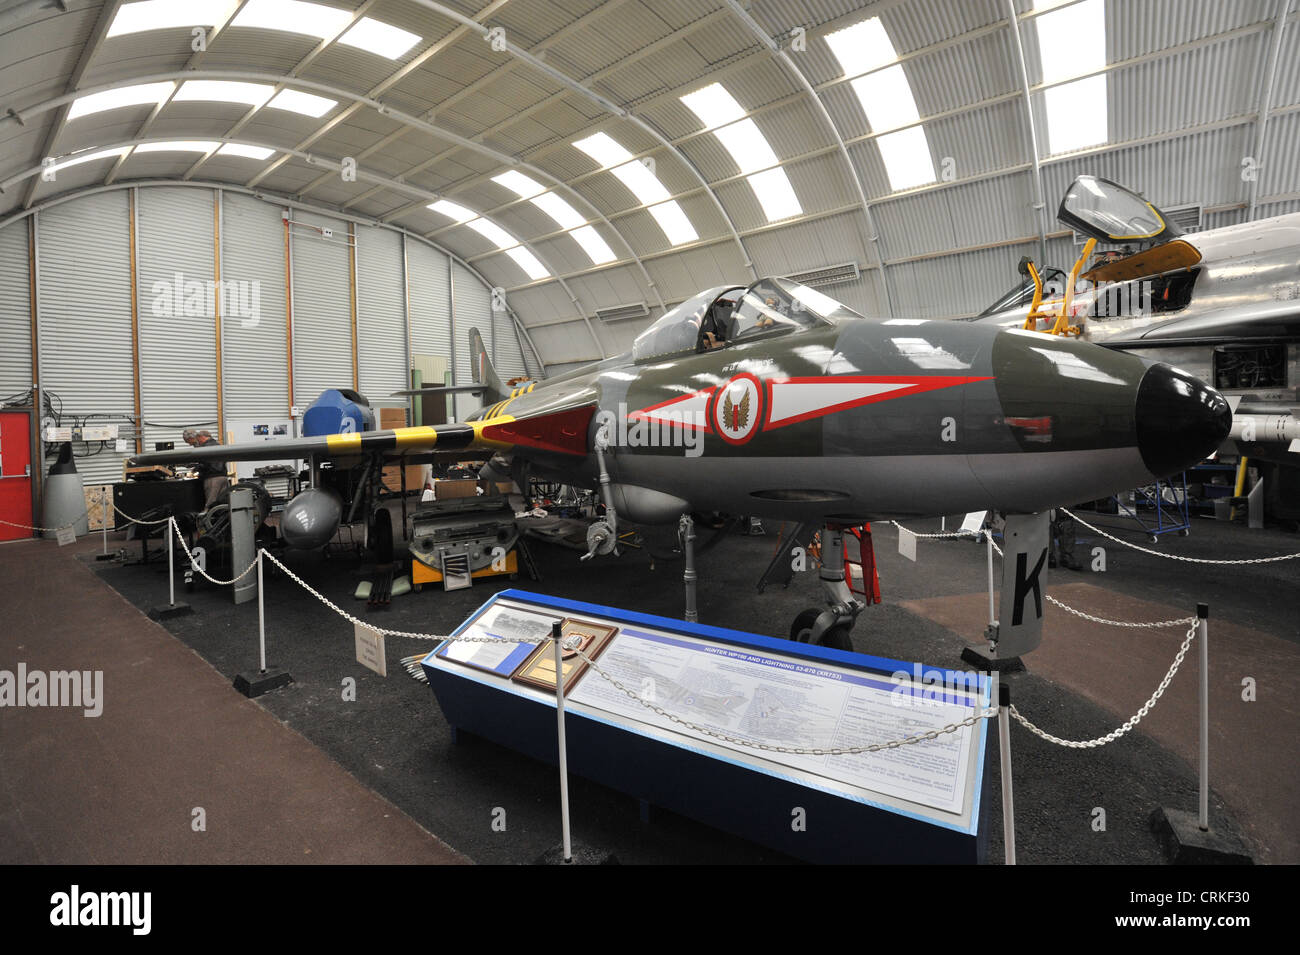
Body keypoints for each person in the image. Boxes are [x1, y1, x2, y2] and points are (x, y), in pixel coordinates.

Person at [183, 429, 229, 509]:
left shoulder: (205, 448)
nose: (198, 442)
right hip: (223, 476)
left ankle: (208, 520)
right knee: (222, 503)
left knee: (210, 504)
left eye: (198, 439)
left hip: (212, 479)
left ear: (201, 437)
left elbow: (206, 464)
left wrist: (195, 468)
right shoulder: (218, 444)